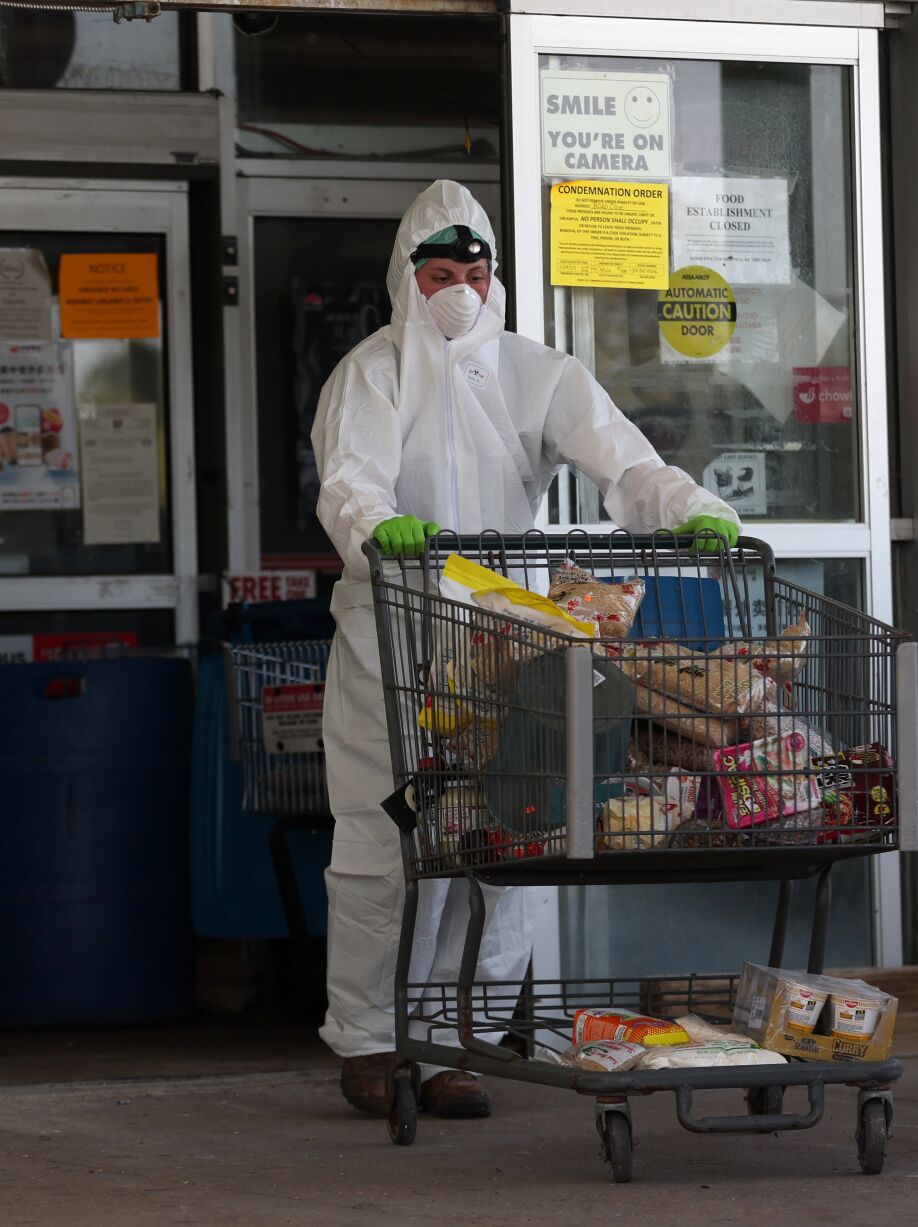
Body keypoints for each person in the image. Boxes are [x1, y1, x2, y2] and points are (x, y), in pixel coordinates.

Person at [312, 180, 739, 1120]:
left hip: (506, 645)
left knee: (515, 833)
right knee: (387, 845)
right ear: (406, 278)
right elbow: (351, 479)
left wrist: (687, 505)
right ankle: (374, 1039)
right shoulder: (370, 374)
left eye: (475, 270)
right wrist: (377, 528)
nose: (460, 288)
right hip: (398, 641)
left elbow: (622, 460)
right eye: (440, 272)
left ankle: (462, 1040)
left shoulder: (538, 373)